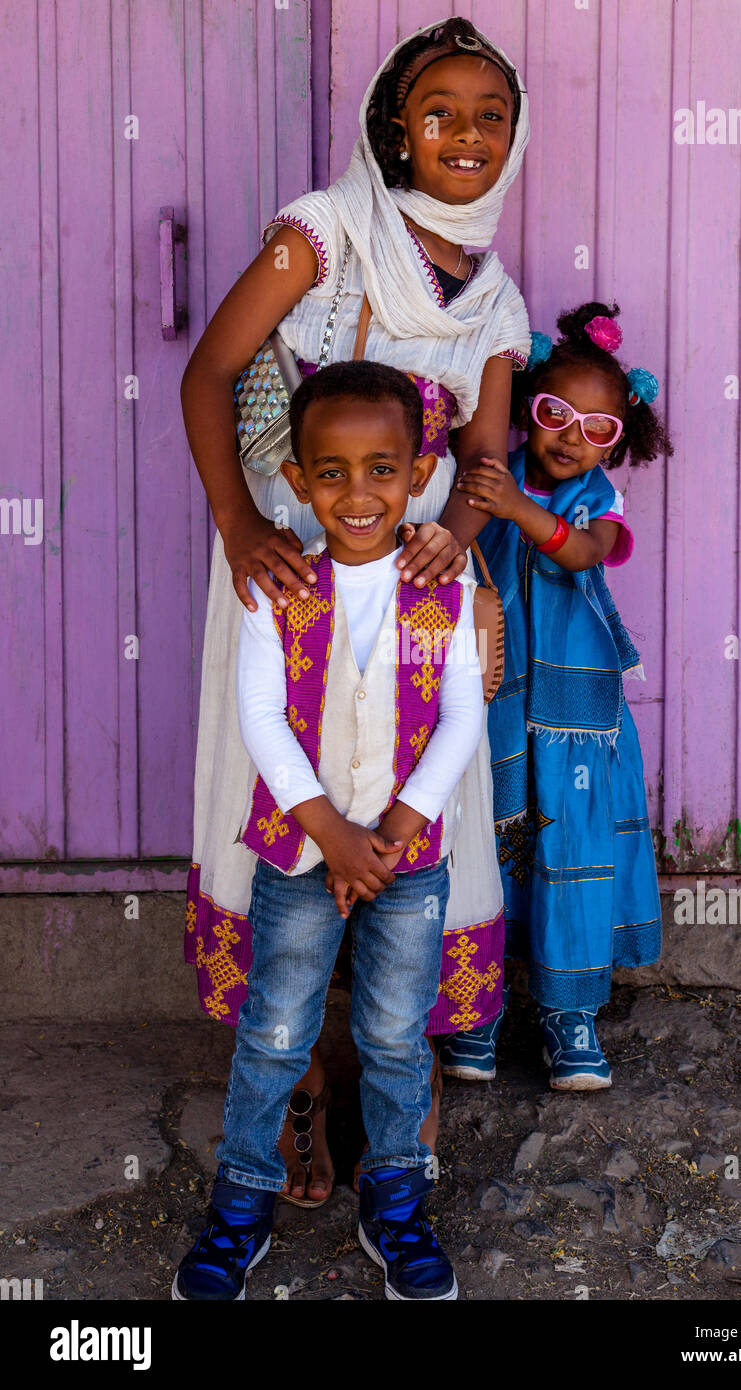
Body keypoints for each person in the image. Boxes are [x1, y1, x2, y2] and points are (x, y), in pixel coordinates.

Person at [181, 15, 530, 1204]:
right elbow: (210, 372)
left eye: (489, 115)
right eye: (439, 112)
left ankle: (395, 1090)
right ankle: (294, 1098)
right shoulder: (323, 235)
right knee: (285, 809)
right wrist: (241, 528)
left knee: (410, 817)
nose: (466, 135)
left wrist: (460, 535)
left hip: (416, 596)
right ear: (396, 125)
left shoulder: (496, 299)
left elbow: (481, 466)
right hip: (288, 580)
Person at [173, 361, 483, 1301]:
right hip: (301, 855)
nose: (359, 493)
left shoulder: (446, 585)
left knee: (395, 1035)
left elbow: (463, 715)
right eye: (334, 472)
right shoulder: (276, 586)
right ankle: (242, 1205)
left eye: (383, 469)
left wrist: (393, 826)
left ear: (419, 473)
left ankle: (394, 1199)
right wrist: (333, 837)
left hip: (406, 862)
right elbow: (260, 718)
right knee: (273, 1029)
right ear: (300, 482)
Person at [444, 302, 672, 1089]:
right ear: (527, 404)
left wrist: (518, 508)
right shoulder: (485, 477)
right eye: (554, 414)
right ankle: (477, 1009)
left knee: (569, 856)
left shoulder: (597, 504)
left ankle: (568, 1017)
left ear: (620, 440)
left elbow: (580, 554)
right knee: (492, 851)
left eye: (597, 429)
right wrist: (495, 500)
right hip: (499, 713)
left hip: (576, 723)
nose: (572, 437)